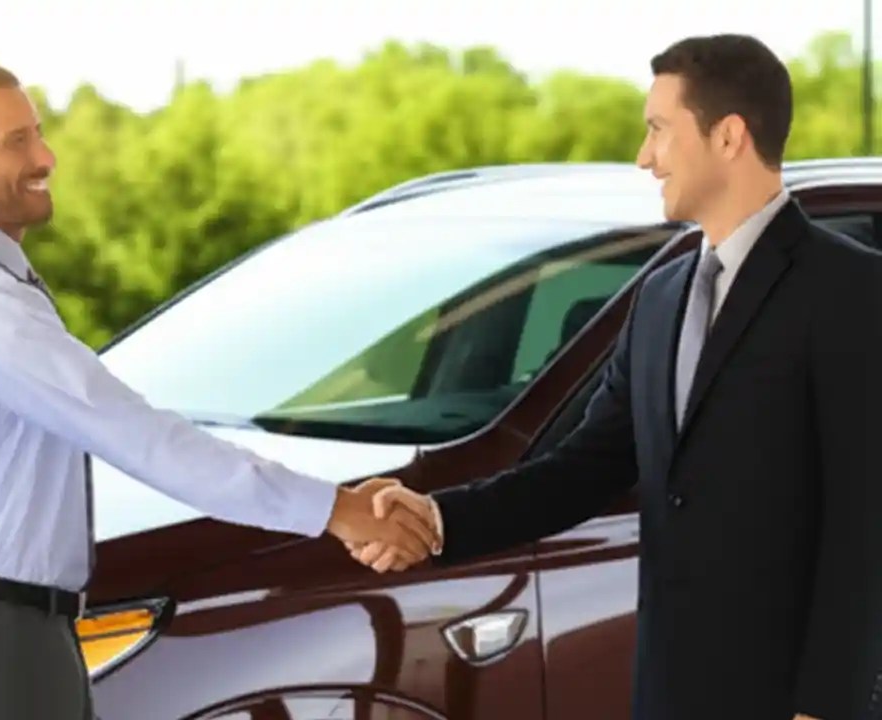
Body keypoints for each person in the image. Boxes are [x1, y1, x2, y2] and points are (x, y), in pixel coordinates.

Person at [0, 61, 439, 720]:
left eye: (38, 133)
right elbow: (138, 437)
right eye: (15, 142)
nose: (45, 157)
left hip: (12, 636)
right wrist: (336, 511)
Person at [349, 34, 882, 720]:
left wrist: (826, 708)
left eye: (659, 130)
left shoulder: (851, 291)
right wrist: (438, 517)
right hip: (669, 691)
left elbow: (863, 524)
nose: (645, 156)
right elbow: (582, 468)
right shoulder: (658, 299)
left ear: (729, 137)